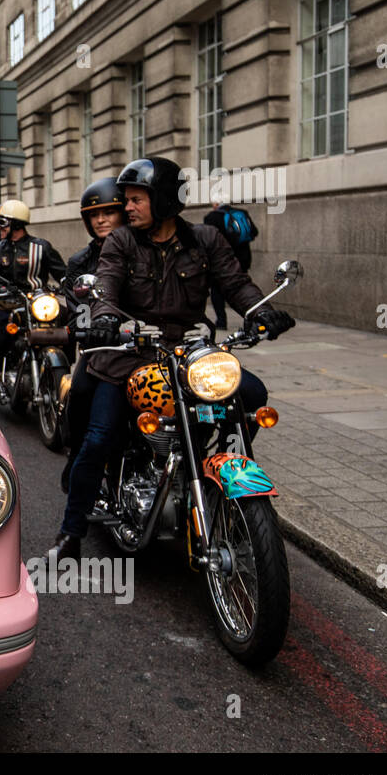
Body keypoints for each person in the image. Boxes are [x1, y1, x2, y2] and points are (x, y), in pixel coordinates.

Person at [50, 156, 294, 561]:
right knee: (97, 441)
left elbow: (236, 284)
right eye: (125, 200)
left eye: (135, 200)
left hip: (187, 352)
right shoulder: (122, 241)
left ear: (163, 200)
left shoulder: (205, 240)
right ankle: (70, 534)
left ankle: (213, 476)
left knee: (251, 393)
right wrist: (107, 319)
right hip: (128, 355)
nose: (126, 208)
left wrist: (260, 313)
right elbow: (107, 282)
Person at [59, 178, 128, 491]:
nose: (101, 219)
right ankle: (77, 455)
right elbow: (76, 307)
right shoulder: (79, 262)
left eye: (109, 212)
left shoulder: (138, 250)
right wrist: (87, 326)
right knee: (81, 392)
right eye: (94, 214)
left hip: (141, 344)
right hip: (100, 349)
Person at [0, 199, 67, 402]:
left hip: (36, 307)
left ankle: (63, 376)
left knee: (65, 332)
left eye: (2, 222)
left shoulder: (42, 248)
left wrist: (68, 287)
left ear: (16, 224)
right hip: (6, 308)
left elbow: (64, 275)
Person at [203, 189, 259, 329]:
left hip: (221, 260)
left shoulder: (212, 217)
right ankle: (250, 319)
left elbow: (209, 240)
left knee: (217, 291)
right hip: (243, 259)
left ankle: (221, 322)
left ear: (216, 203)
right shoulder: (241, 213)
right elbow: (254, 232)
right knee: (242, 289)